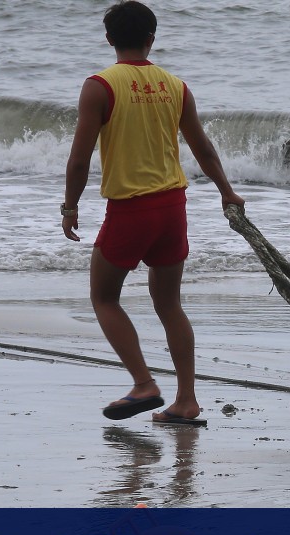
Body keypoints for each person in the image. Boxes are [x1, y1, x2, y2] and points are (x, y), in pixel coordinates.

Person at [61, 0, 245, 425]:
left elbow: (78, 160)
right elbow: (202, 147)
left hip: (130, 210)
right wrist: (226, 192)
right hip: (172, 207)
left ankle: (144, 383)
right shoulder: (175, 86)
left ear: (109, 39)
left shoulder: (100, 86)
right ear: (151, 38)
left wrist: (70, 206)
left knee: (104, 297)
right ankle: (186, 400)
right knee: (170, 305)